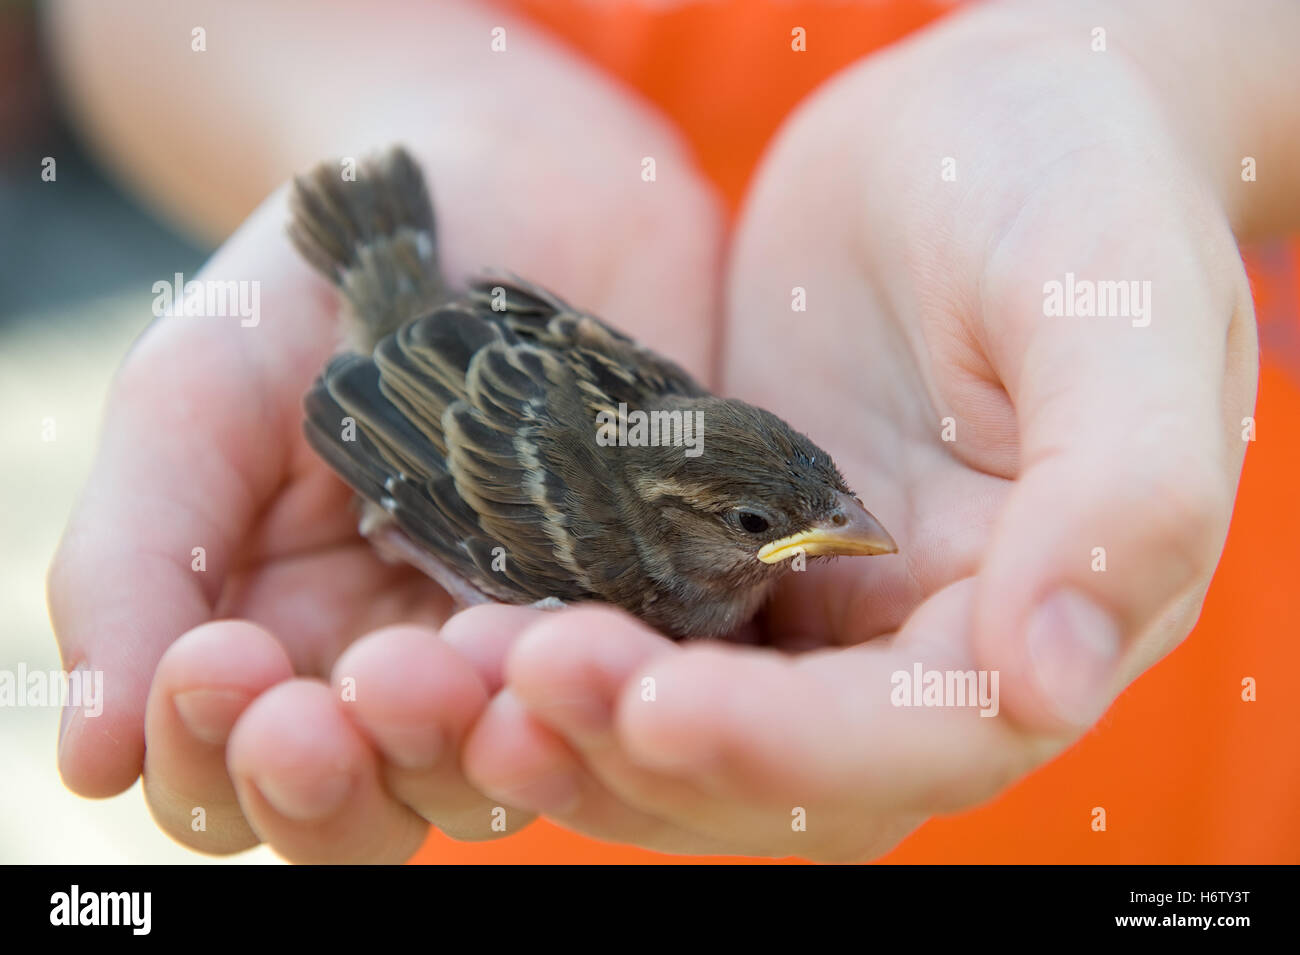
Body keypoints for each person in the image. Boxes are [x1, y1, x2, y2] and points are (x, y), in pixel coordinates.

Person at [46, 0, 1300, 862]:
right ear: (677, 532)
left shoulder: (688, 447)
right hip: (515, 748)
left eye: (814, 506)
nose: (828, 532)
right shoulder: (591, 549)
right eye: (767, 526)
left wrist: (1140, 80)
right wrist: (417, 102)